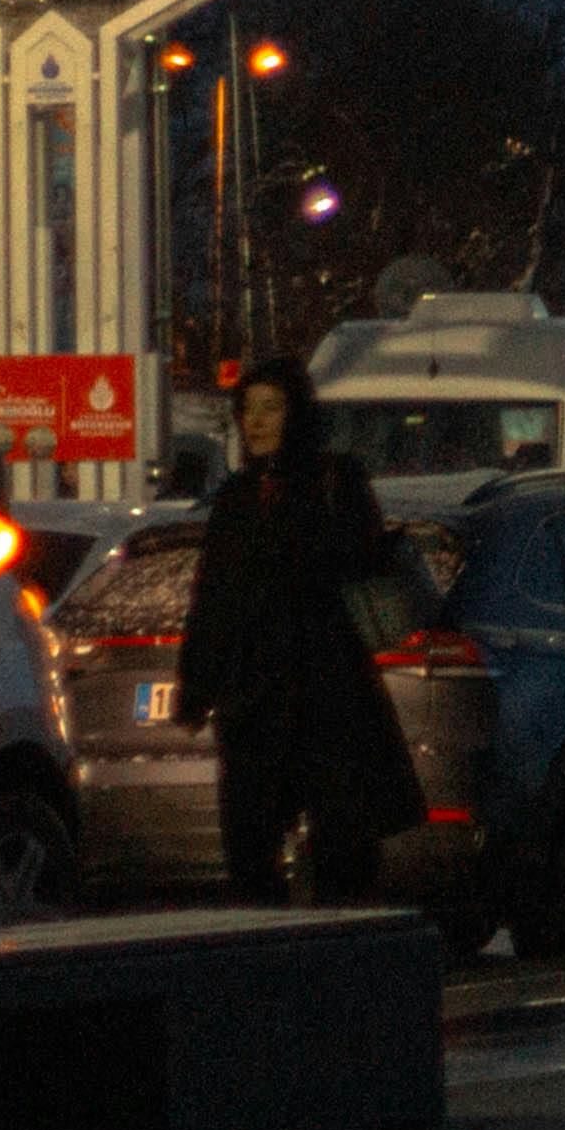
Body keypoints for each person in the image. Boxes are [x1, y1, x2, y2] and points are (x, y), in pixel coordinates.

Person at [170, 355, 422, 906]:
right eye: (248, 410)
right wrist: (197, 686)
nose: (256, 422)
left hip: (326, 693)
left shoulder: (335, 480)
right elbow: (212, 599)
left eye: (271, 408)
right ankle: (266, 960)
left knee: (343, 847)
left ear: (297, 414)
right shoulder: (236, 498)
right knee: (250, 845)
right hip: (254, 698)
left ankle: (337, 958)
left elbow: (358, 561)